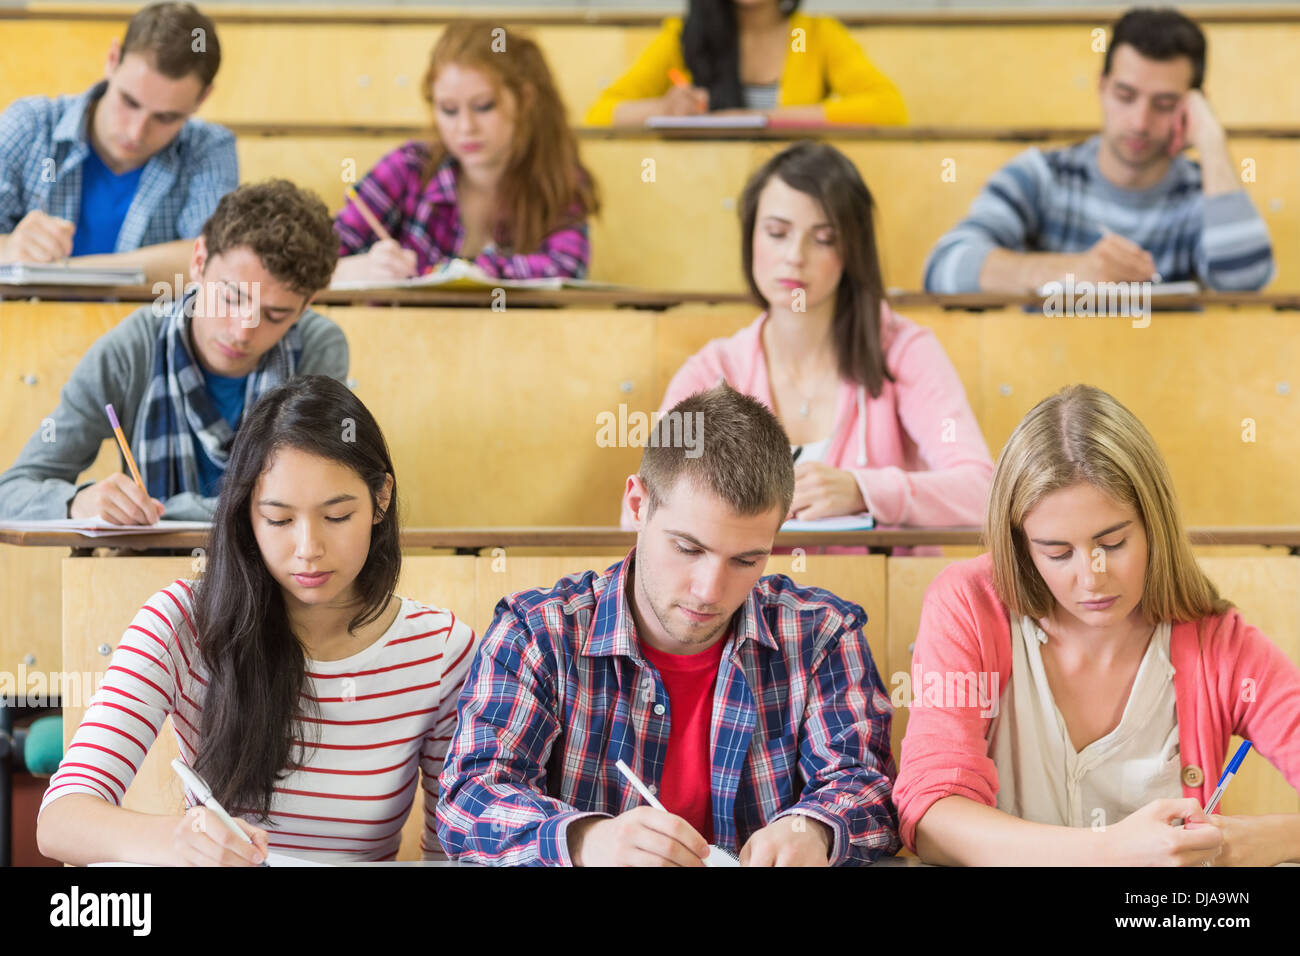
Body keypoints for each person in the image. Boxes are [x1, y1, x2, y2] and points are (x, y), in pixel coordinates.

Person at [438, 385, 899, 866]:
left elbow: (865, 785)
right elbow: (470, 798)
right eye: (688, 548)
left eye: (746, 559)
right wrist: (585, 842)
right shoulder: (538, 632)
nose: (710, 590)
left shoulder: (822, 635)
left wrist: (815, 830)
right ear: (638, 505)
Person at [36, 375, 478, 865]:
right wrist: (177, 841)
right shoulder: (183, 622)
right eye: (279, 520)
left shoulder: (441, 652)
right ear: (247, 514)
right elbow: (61, 819)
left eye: (336, 517)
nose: (308, 549)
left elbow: (453, 852)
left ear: (381, 498)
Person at [893, 384, 1300, 866]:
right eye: (1057, 553)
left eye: (1114, 543)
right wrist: (1110, 851)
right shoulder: (969, 604)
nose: (1092, 577)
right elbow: (932, 815)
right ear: (1022, 544)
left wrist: (1269, 838)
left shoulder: (1216, 643)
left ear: (1155, 524)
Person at [631, 142, 992, 531]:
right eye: (777, 232)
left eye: (823, 239)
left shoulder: (904, 349)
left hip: (881, 588)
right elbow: (646, 513)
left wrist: (862, 490)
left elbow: (982, 491)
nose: (795, 256)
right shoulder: (711, 372)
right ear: (751, 236)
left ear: (852, 250)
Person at [0, 180, 347, 523]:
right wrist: (78, 502)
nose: (243, 332)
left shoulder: (318, 348)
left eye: (276, 314)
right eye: (230, 297)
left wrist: (171, 512)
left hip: (269, 577)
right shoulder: (131, 349)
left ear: (306, 306)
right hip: (147, 574)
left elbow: (310, 495)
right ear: (199, 260)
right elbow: (11, 493)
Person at [923, 7, 1274, 294]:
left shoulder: (1206, 194)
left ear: (1193, 107)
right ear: (1102, 87)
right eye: (1125, 96)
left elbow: (1245, 282)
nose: (1139, 121)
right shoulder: (1041, 176)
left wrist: (1211, 140)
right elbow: (944, 269)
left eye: (1165, 103)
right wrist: (1072, 271)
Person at [333, 21, 599, 284]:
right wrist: (353, 270)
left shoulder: (558, 180)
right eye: (449, 110)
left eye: (483, 106)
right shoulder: (408, 167)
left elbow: (567, 269)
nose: (465, 127)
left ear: (524, 100)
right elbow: (309, 263)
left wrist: (459, 273)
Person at [0, 2, 237, 286]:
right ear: (112, 60)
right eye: (129, 102)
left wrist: (64, 272)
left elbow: (212, 261)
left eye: (166, 118)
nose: (135, 133)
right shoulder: (30, 125)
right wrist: (7, 249)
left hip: (144, 330)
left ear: (203, 98)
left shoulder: (208, 148)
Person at [585, 0, 906, 126]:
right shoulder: (684, 36)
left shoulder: (813, 35)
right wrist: (662, 109)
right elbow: (599, 115)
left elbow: (888, 109)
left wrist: (761, 118)